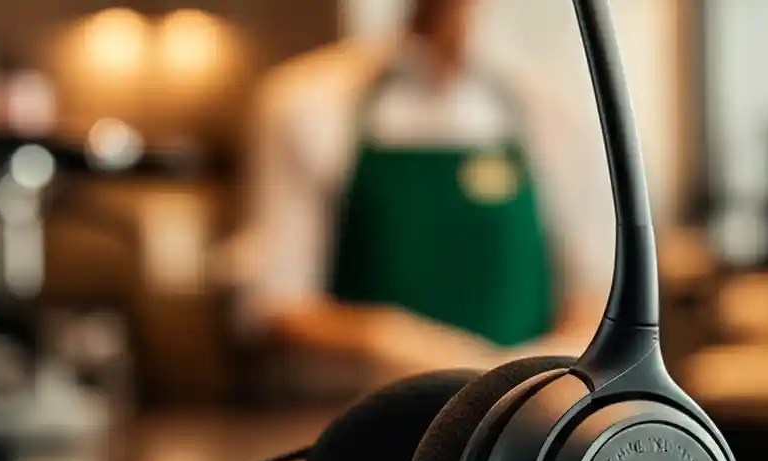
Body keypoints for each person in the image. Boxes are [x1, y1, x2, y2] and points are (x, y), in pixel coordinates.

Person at [236, 0, 613, 396]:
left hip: (519, 418)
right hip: (356, 416)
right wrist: (388, 339)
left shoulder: (555, 109)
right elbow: (276, 306)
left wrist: (525, 370)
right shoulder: (307, 104)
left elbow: (591, 299)